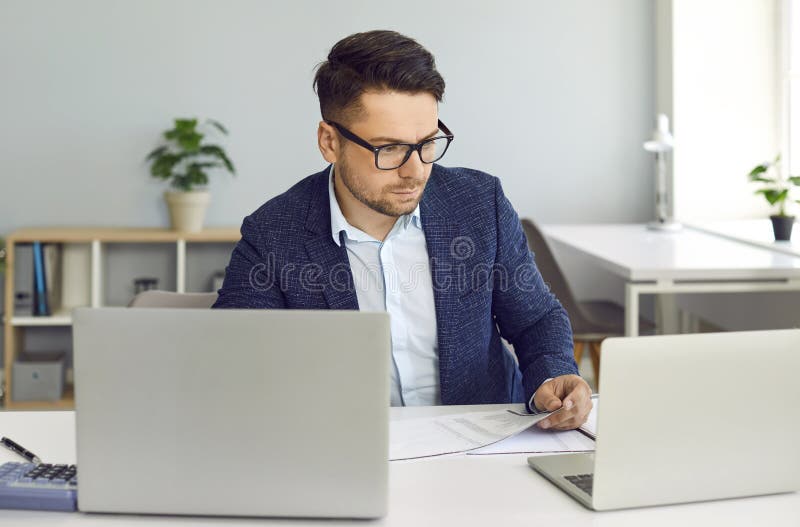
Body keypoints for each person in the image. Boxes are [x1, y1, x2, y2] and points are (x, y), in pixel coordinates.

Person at [213, 30, 592, 430]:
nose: (415, 171)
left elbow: (535, 320)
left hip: (485, 440)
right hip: (348, 448)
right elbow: (235, 362)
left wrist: (552, 377)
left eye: (427, 142)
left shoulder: (480, 203)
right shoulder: (273, 234)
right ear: (329, 141)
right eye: (389, 149)